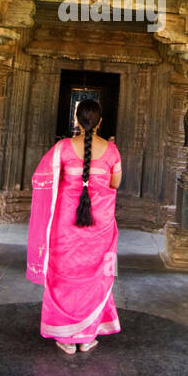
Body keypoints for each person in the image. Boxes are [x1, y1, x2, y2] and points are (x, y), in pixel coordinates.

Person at [26, 99, 122, 354]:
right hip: (100, 226)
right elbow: (115, 184)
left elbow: (43, 179)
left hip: (65, 225)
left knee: (63, 276)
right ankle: (88, 336)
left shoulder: (62, 148)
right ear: (100, 122)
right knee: (96, 276)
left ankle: (66, 336)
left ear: (76, 121)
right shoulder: (112, 151)